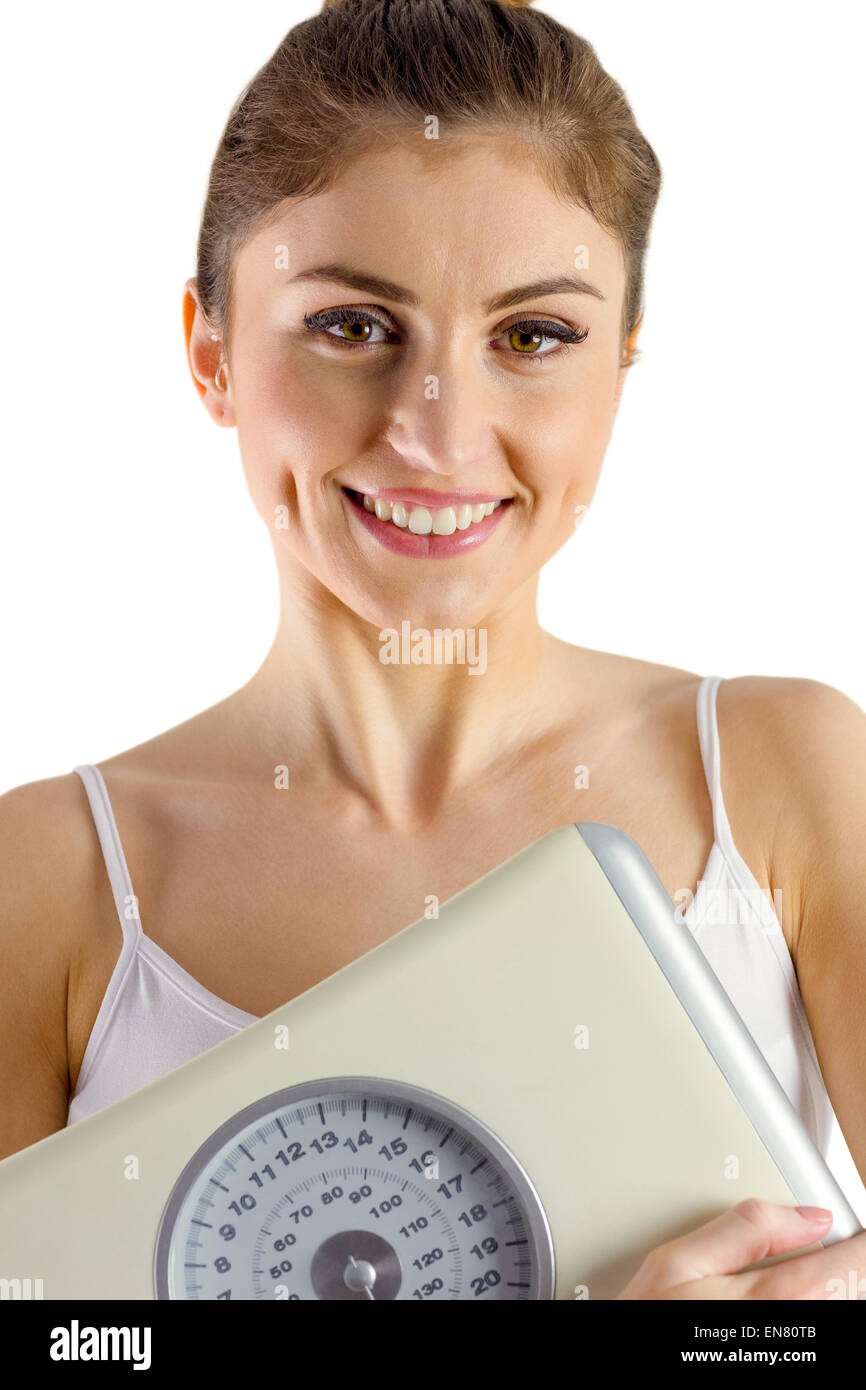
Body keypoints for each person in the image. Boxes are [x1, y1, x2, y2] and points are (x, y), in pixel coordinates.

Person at [2, 0, 865, 1300]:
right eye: (352, 325)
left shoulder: (781, 773)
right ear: (210, 352)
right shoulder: (50, 879)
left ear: (619, 373)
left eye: (534, 336)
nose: (439, 434)